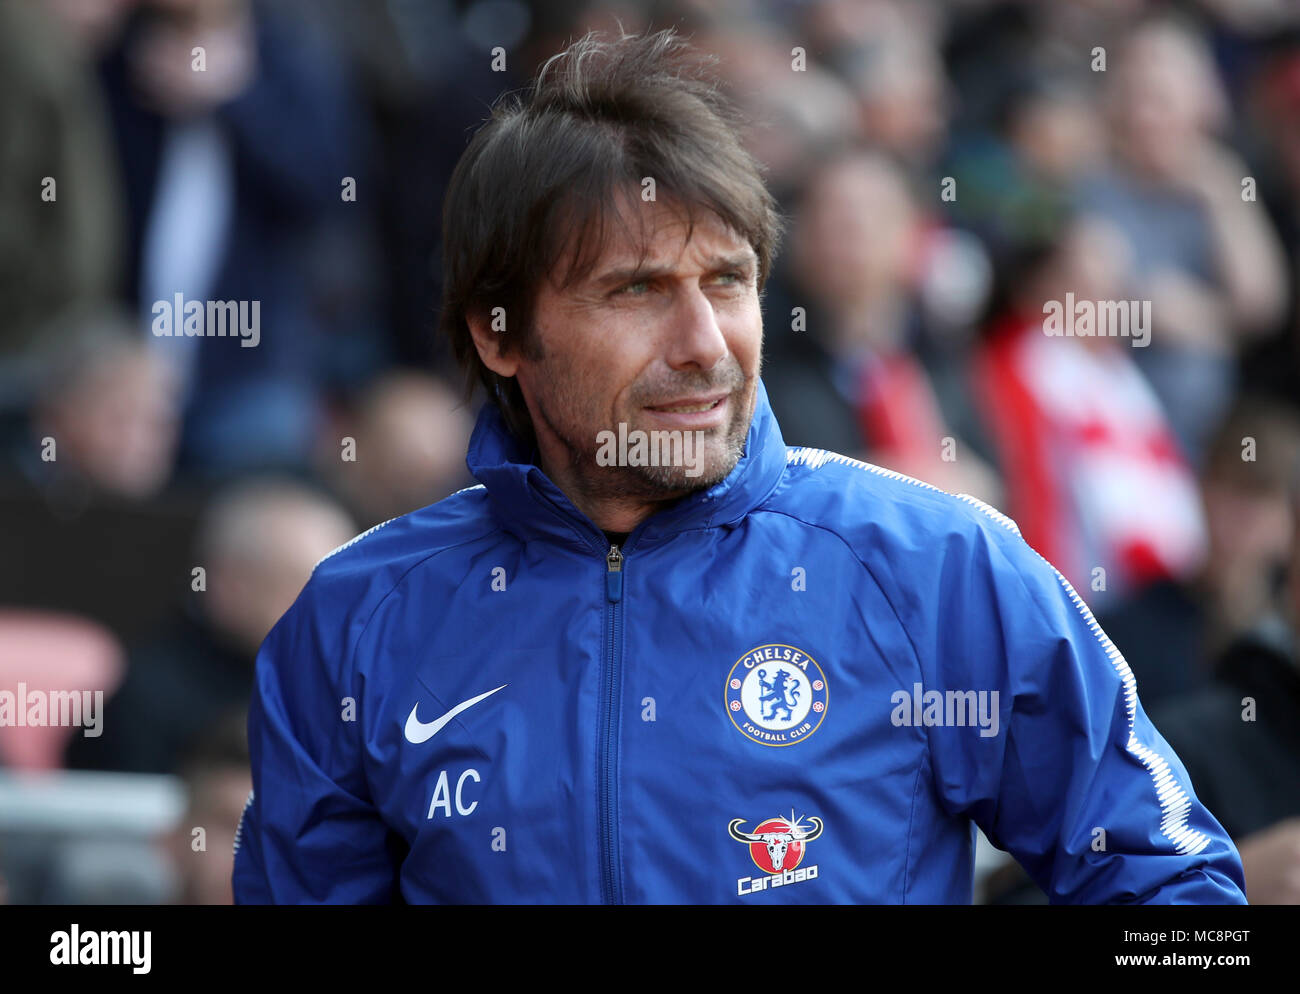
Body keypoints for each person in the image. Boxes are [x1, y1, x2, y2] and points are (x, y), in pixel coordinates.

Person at [234, 29, 1246, 904]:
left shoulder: (940, 567)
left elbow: (1170, 884)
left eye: (727, 280)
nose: (704, 341)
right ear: (498, 335)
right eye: (634, 289)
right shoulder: (355, 620)